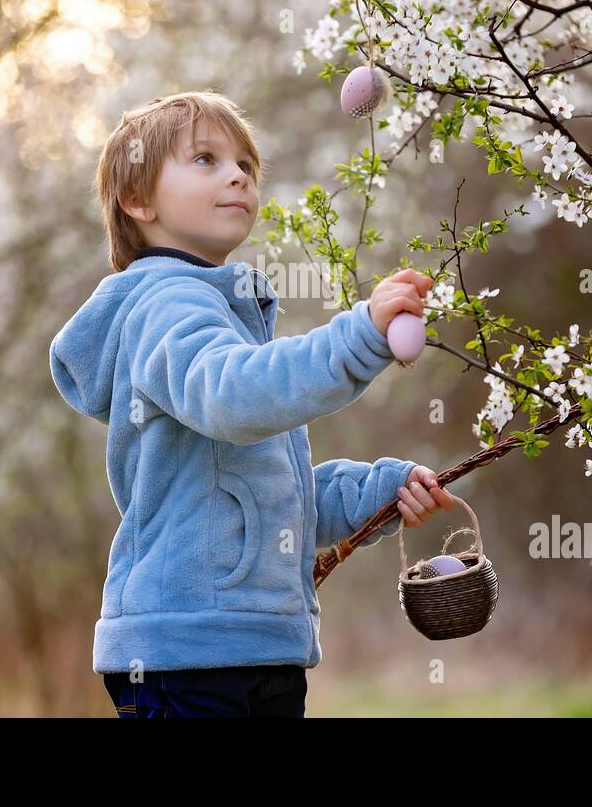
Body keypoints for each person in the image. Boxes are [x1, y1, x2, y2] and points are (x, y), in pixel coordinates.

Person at [50, 90, 455, 717]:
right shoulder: (164, 306)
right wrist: (358, 338)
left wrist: (376, 492)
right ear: (138, 200)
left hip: (257, 650)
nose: (237, 173)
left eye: (246, 164)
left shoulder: (223, 317)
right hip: (186, 656)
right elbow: (234, 397)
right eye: (206, 159)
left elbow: (271, 502)